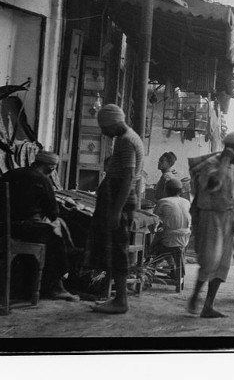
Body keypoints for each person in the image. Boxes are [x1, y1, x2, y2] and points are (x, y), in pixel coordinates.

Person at [86, 104, 143, 314]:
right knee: (115, 249)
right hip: (119, 198)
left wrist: (117, 210)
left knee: (118, 251)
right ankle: (116, 298)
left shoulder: (127, 140)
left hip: (121, 200)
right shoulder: (126, 138)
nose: (103, 132)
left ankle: (121, 301)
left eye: (104, 127)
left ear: (112, 123)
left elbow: (128, 177)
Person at [0, 150, 78, 301]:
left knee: (53, 230)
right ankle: (57, 287)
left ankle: (32, 284)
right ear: (51, 168)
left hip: (4, 228)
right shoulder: (42, 179)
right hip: (26, 229)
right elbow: (53, 212)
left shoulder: (9, 174)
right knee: (56, 236)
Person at [185, 131, 234, 318]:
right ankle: (195, 297)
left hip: (229, 218)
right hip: (211, 217)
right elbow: (214, 184)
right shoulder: (212, 165)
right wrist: (225, 160)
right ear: (230, 149)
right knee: (210, 260)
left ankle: (208, 306)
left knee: (223, 264)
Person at [148, 177, 191, 258]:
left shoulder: (163, 202)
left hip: (169, 240)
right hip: (185, 239)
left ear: (166, 190)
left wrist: (154, 231)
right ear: (180, 191)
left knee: (154, 241)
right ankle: (169, 264)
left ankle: (150, 261)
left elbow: (154, 221)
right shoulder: (187, 202)